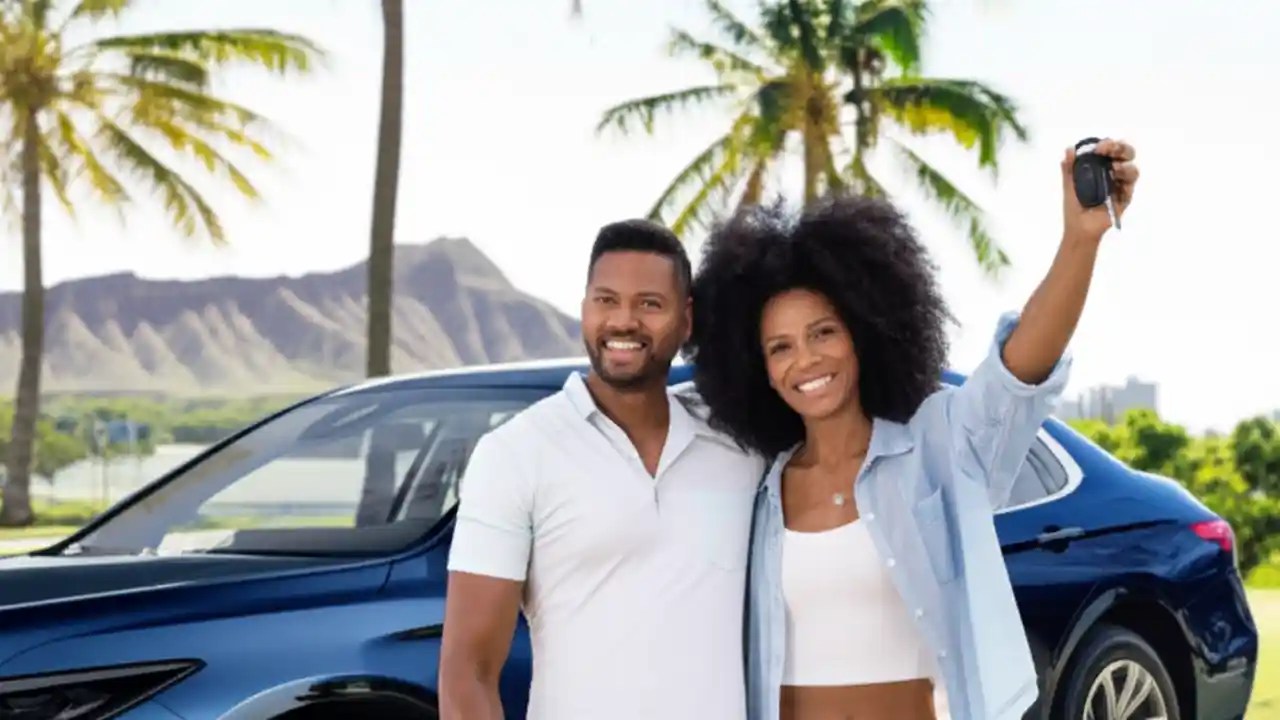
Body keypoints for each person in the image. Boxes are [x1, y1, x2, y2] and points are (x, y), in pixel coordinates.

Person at [682, 139, 1140, 720]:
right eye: (781, 347)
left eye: (823, 333)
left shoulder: (935, 446)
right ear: (759, 370)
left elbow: (1017, 374)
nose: (806, 360)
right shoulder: (759, 493)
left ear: (861, 333)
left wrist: (1080, 240)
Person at [438, 219, 766, 720]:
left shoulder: (740, 444)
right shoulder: (516, 453)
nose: (623, 321)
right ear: (585, 308)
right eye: (606, 300)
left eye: (649, 304)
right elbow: (468, 672)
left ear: (686, 319)